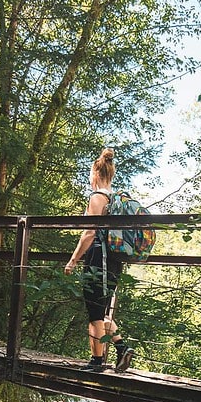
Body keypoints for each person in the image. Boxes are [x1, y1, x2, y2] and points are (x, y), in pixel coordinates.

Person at [64, 146, 135, 373]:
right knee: (100, 311)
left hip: (98, 258)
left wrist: (73, 260)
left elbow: (89, 233)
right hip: (113, 259)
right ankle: (121, 349)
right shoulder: (115, 197)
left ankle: (97, 362)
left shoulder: (97, 197)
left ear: (95, 173)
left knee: (95, 310)